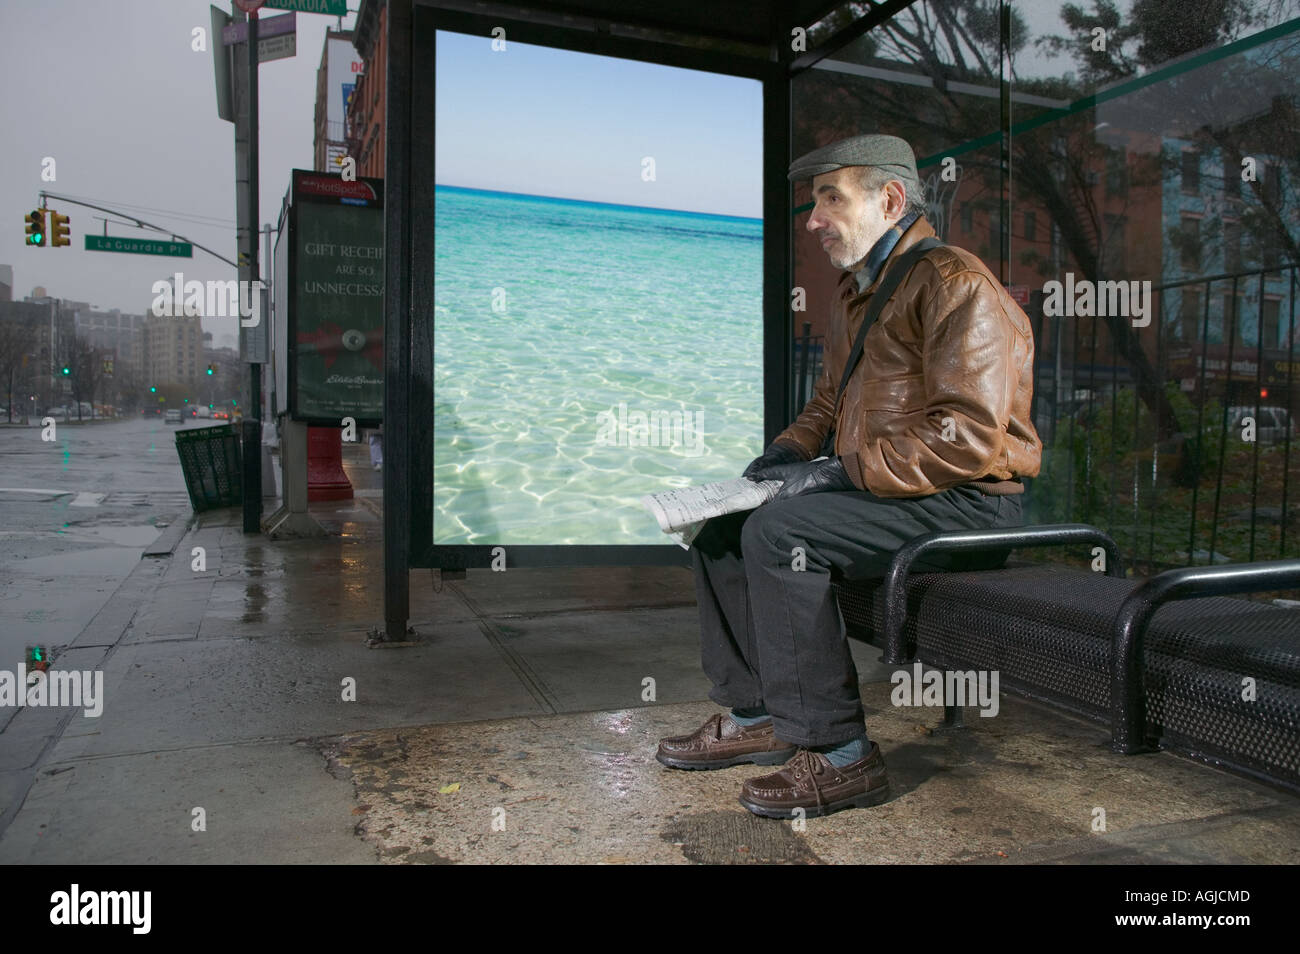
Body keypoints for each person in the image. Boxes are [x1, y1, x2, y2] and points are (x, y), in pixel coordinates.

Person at [656, 134, 1042, 818]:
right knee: (722, 528)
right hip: (890, 490)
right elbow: (830, 403)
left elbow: (969, 439)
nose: (814, 220)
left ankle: (841, 753)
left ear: (889, 200)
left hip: (967, 503)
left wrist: (840, 472)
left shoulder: (955, 284)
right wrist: (785, 455)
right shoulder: (857, 291)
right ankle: (758, 714)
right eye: (815, 204)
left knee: (780, 534)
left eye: (831, 199)